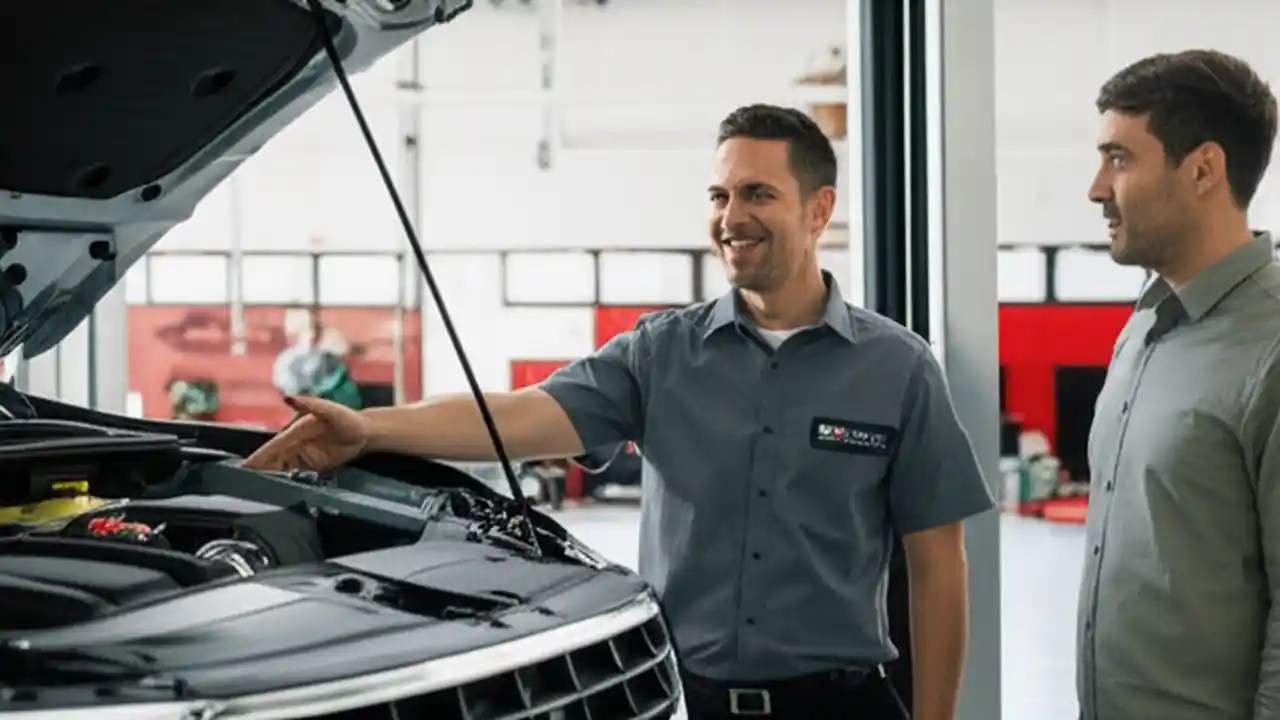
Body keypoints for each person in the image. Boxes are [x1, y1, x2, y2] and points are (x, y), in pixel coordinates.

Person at [243, 104, 995, 719]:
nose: (732, 216)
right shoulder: (660, 354)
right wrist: (371, 428)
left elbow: (937, 567)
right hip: (681, 702)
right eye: (720, 195)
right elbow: (517, 415)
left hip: (841, 707)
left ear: (818, 208)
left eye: (758, 194)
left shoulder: (898, 369)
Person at [1077, 49, 1280, 720]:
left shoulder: (1272, 346)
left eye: (1121, 158)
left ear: (1203, 170)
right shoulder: (1142, 329)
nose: (1097, 187)